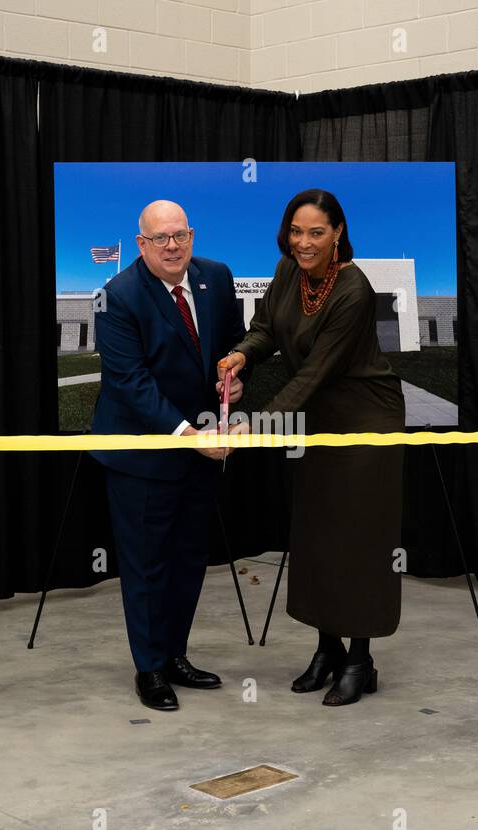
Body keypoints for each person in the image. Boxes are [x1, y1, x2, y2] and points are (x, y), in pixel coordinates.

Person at [220, 189, 405, 707]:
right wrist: (240, 355)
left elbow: (316, 372)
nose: (304, 242)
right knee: (316, 535)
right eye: (297, 231)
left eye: (316, 233)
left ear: (338, 234)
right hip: (316, 421)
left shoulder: (354, 288)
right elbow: (264, 330)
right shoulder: (287, 271)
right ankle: (326, 647)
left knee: (359, 544)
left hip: (366, 422)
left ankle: (360, 659)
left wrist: (256, 425)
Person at [91, 200, 246, 711]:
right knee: (146, 567)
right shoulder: (117, 296)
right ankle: (149, 668)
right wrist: (187, 432)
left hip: (202, 453)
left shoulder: (216, 278)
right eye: (161, 239)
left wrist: (235, 378)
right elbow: (129, 382)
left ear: (192, 236)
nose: (173, 246)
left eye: (180, 235)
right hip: (143, 457)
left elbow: (232, 345)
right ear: (141, 244)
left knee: (188, 562)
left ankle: (176, 654)